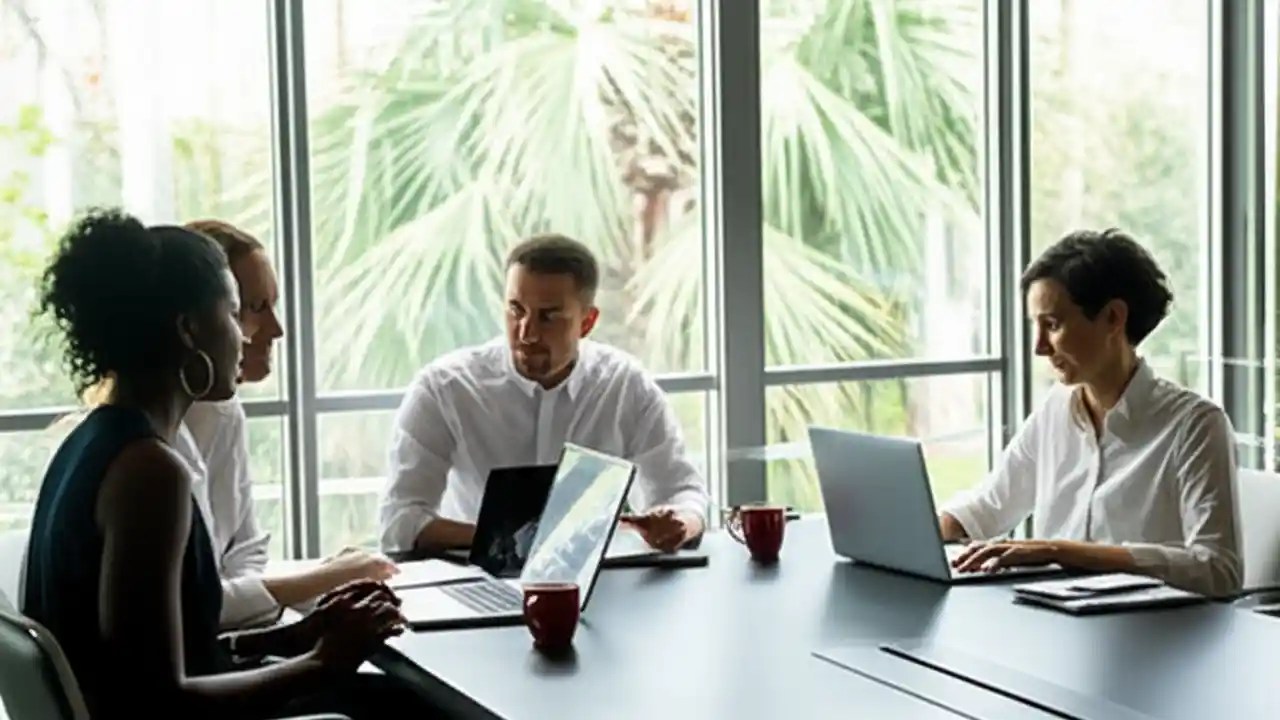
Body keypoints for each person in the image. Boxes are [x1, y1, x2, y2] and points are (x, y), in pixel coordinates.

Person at [22, 208, 420, 719]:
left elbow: (163, 656)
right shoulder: (150, 473)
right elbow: (158, 700)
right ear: (188, 330)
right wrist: (324, 662)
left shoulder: (90, 442)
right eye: (234, 314)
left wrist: (301, 634)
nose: (248, 335)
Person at [938, 229, 1243, 598]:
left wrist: (1062, 552)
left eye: (1052, 325)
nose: (1038, 347)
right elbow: (989, 507)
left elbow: (1218, 569)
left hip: (1153, 637)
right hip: (1055, 625)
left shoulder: (1194, 426)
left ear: (1113, 318)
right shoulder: (1056, 410)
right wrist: (923, 532)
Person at [379, 234, 709, 555]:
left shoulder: (626, 386)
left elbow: (683, 492)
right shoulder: (444, 389)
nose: (527, 332)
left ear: (587, 321)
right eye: (516, 310)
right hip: (476, 577)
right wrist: (510, 537)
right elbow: (400, 520)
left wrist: (680, 524)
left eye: (548, 316)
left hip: (600, 586)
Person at [177, 219, 396, 630]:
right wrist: (325, 578)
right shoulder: (152, 453)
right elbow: (197, 608)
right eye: (251, 310)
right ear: (193, 323)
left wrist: (317, 583)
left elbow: (246, 554)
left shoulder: (224, 412)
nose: (276, 329)